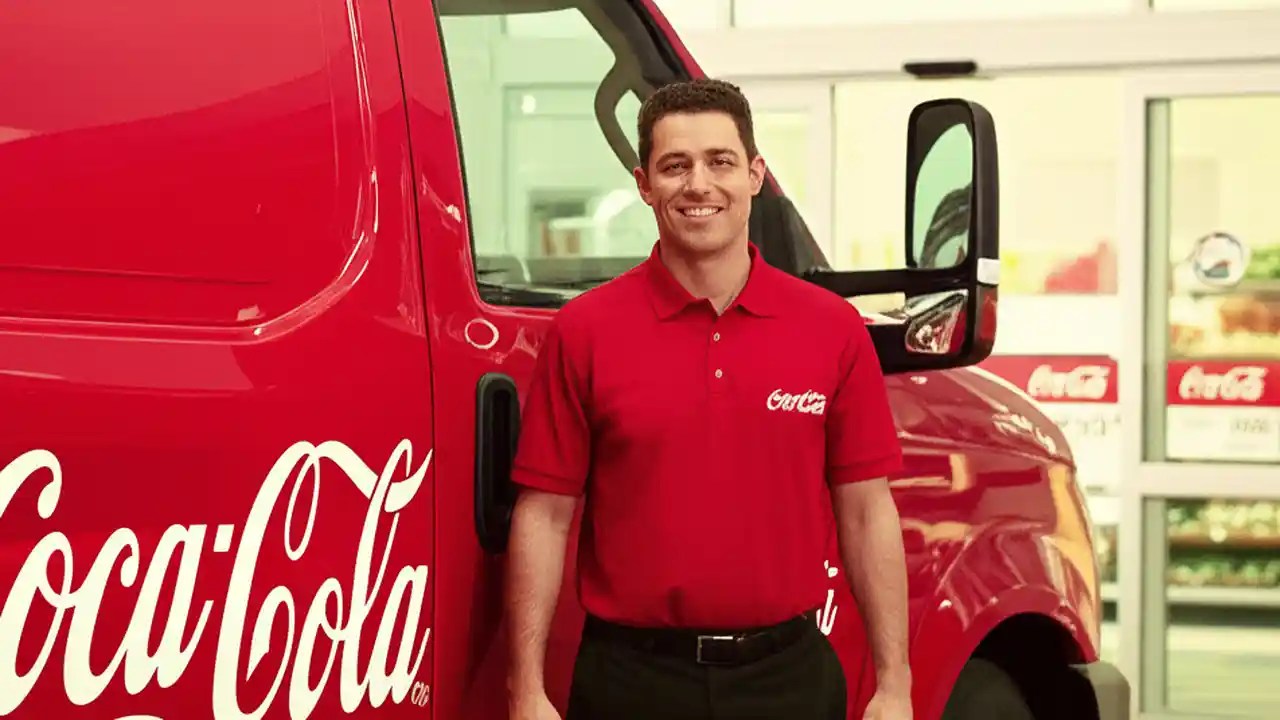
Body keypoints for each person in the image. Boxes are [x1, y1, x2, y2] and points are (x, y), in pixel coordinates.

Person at [505, 77, 912, 720]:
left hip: (790, 682)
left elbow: (867, 514)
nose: (699, 185)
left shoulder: (832, 329)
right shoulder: (584, 331)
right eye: (675, 166)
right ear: (644, 184)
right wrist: (525, 690)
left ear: (755, 175)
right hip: (629, 683)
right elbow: (544, 516)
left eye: (720, 162)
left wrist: (895, 686)